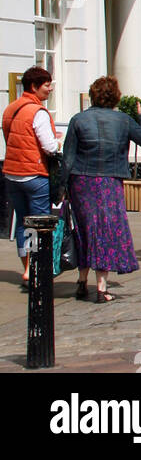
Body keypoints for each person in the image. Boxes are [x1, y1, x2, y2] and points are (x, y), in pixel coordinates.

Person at [62, 77, 141, 303]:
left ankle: (82, 281)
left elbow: (68, 158)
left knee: (84, 229)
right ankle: (102, 287)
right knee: (104, 229)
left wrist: (61, 188)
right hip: (109, 181)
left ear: (93, 95)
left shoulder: (78, 120)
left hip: (81, 181)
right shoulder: (123, 120)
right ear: (115, 96)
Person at [2, 66, 58, 291]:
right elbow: (49, 147)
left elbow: (10, 137)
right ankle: (35, 270)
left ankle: (26, 267)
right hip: (34, 174)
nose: (50, 89)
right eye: (46, 85)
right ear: (34, 86)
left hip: (12, 174)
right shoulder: (38, 112)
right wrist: (59, 143)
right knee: (38, 224)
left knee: (22, 222)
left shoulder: (11, 108)